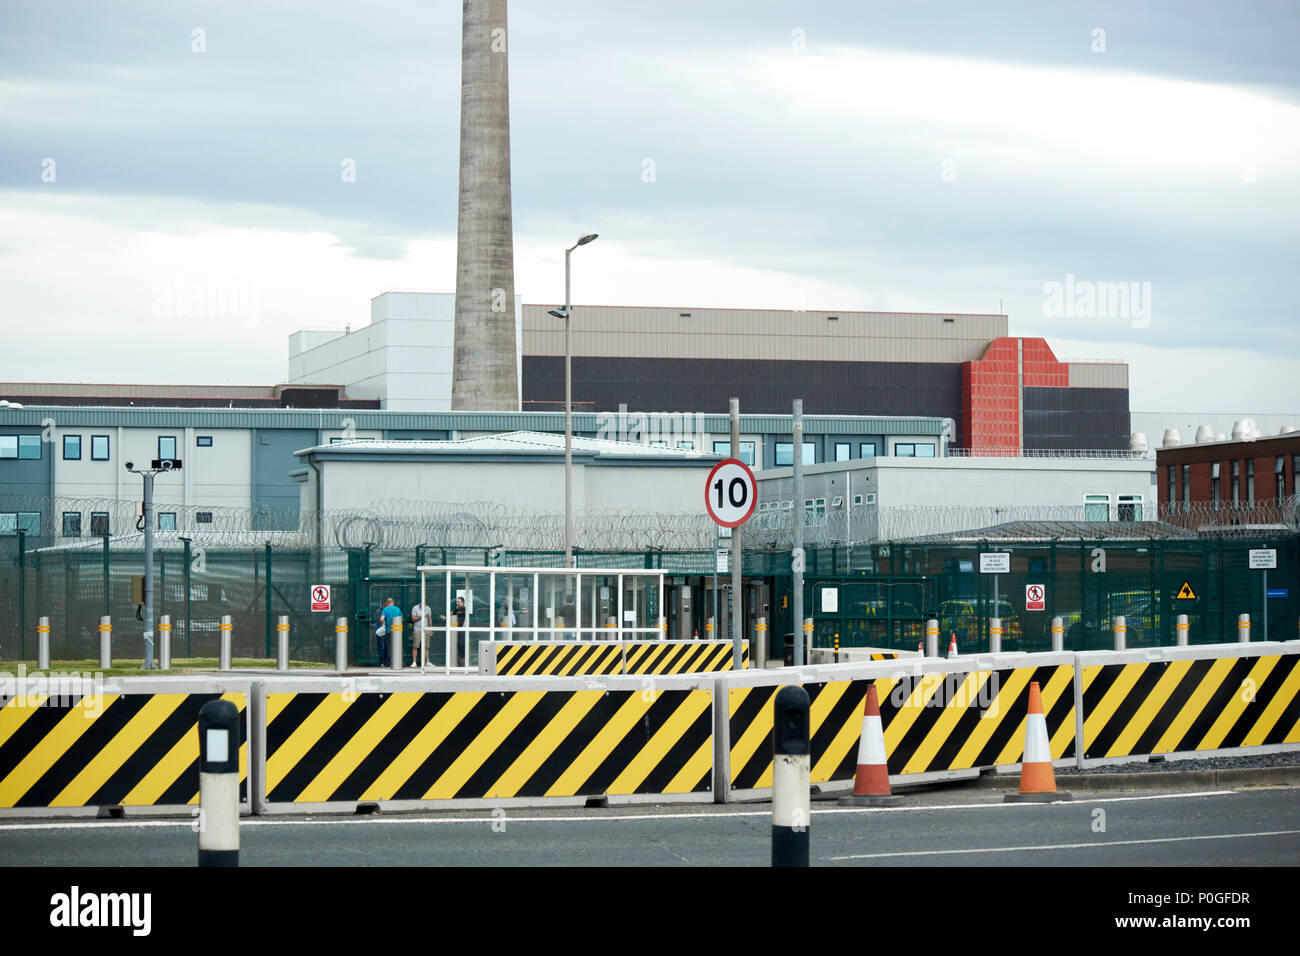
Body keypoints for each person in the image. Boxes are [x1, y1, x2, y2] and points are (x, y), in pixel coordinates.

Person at [378, 598, 403, 667]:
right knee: (398, 646)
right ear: (393, 602)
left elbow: (381, 619)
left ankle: (390, 662)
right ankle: (398, 661)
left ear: (387, 603)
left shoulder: (385, 609)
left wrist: (383, 624)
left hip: (389, 631)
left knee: (389, 647)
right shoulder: (397, 609)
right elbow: (401, 618)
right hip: (397, 631)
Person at [410, 599, 432, 667]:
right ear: (420, 602)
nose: (423, 604)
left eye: (425, 603)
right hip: (417, 629)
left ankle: (427, 662)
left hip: (426, 629)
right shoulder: (415, 608)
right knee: (415, 646)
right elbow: (413, 619)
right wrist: (422, 616)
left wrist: (431, 629)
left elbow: (429, 619)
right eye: (422, 602)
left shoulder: (428, 608)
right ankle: (414, 662)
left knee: (426, 647)